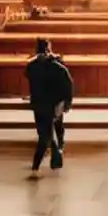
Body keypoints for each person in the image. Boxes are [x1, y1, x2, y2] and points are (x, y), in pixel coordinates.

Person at [25, 38, 74, 171]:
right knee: (54, 128)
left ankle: (39, 163)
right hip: (55, 103)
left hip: (39, 103)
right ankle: (57, 150)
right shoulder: (57, 65)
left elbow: (30, 80)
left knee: (44, 133)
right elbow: (68, 84)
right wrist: (67, 102)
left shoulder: (31, 66)